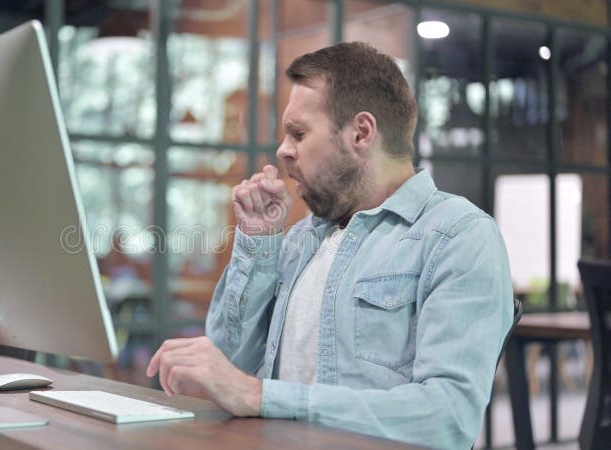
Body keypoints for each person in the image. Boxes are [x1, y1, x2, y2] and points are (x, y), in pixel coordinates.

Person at [146, 42, 513, 449]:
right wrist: (258, 244)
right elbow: (230, 372)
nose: (283, 149)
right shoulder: (300, 239)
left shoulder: (459, 236)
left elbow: (448, 417)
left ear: (361, 132)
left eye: (298, 133)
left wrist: (262, 395)